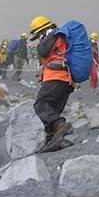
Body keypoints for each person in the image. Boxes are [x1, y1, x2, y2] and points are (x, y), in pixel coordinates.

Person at [30, 16, 74, 152]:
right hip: (66, 80)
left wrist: (40, 43)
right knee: (52, 109)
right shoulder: (59, 37)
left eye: (38, 35)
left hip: (56, 77)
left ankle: (60, 125)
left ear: (43, 30)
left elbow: (43, 51)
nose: (38, 38)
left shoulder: (52, 36)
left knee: (41, 105)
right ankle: (52, 141)